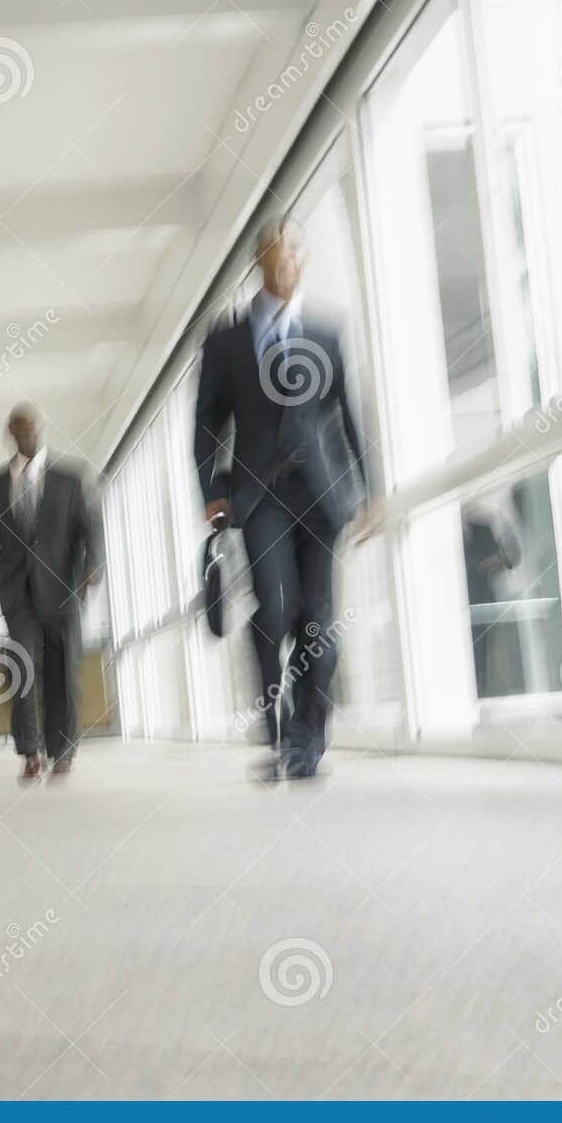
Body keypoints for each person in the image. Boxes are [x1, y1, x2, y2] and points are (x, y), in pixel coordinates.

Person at [193, 217, 372, 781]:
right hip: (260, 496)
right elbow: (206, 424)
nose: (287, 256)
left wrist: (367, 490)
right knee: (274, 609)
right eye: (276, 247)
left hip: (321, 496)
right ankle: (275, 733)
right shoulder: (225, 341)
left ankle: (306, 739)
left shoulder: (326, 333)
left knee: (318, 623)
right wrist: (211, 491)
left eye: (295, 247)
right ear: (259, 260)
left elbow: (347, 414)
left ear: (303, 258)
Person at [0, 403, 102, 781]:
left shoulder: (70, 478)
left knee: (63, 672)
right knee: (22, 670)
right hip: (17, 593)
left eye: (29, 428)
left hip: (63, 589)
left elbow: (91, 527)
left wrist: (94, 566)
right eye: (17, 430)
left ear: (40, 429)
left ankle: (63, 750)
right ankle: (30, 752)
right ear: (9, 435)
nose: (24, 435)